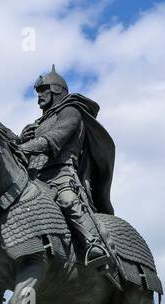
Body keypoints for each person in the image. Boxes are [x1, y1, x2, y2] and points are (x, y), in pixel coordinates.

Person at [16, 66, 119, 275]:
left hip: (61, 174)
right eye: (38, 92)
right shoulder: (38, 123)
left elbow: (54, 139)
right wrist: (20, 138)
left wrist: (24, 146)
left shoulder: (71, 111)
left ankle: (94, 244)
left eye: (44, 90)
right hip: (35, 177)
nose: (39, 97)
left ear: (56, 90)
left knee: (67, 200)